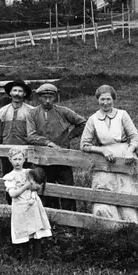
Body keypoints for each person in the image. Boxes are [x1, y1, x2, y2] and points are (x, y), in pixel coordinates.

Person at [80, 85, 138, 224]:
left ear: (113, 99)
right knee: (106, 195)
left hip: (125, 160)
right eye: (102, 99)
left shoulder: (122, 115)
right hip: (104, 163)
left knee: (128, 192)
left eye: (108, 99)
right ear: (98, 100)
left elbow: (135, 138)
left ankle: (135, 225)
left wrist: (130, 151)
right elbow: (84, 144)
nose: (105, 103)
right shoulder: (93, 119)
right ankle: (110, 225)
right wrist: (102, 150)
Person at [25, 82, 87, 211]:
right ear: (39, 97)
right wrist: (48, 143)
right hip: (42, 158)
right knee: (44, 190)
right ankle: (49, 220)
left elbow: (82, 123)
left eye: (50, 97)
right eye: (44, 97)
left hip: (62, 157)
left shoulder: (63, 112)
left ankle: (70, 223)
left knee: (67, 190)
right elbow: (31, 136)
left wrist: (69, 137)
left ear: (55, 97)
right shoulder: (32, 114)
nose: (47, 101)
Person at [4, 146, 52, 259]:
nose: (17, 162)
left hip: (33, 205)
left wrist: (35, 186)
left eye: (20, 159)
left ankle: (36, 259)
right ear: (10, 160)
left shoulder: (29, 172)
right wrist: (26, 186)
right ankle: (25, 260)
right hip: (20, 207)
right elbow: (12, 194)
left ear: (24, 159)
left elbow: (37, 186)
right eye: (14, 159)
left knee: (37, 232)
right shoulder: (10, 177)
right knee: (24, 234)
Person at [0, 78, 34, 175]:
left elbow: (36, 136)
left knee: (26, 182)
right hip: (7, 154)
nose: (17, 94)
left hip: (26, 154)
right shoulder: (3, 111)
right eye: (14, 90)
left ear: (24, 94)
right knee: (9, 182)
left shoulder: (31, 111)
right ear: (10, 93)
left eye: (20, 91)